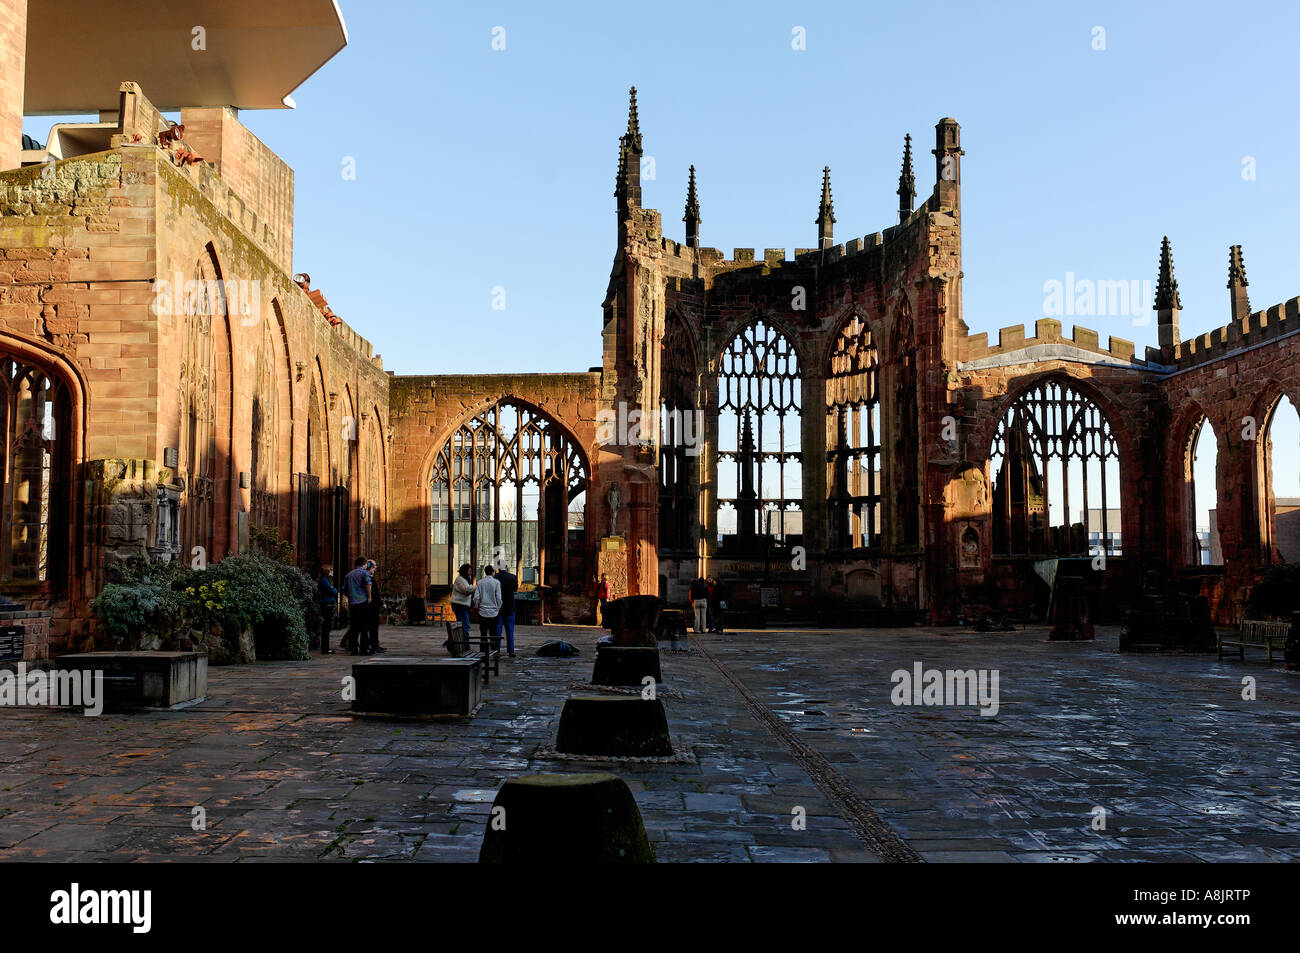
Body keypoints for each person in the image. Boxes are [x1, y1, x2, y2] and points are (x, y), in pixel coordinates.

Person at [342, 556, 373, 655]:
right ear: (364, 564)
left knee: (354, 627)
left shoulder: (349, 575)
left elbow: (344, 590)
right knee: (364, 626)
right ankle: (363, 649)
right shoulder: (365, 573)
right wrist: (369, 597)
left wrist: (351, 596)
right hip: (362, 602)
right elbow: (368, 584)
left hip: (353, 604)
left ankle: (353, 649)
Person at [471, 564, 502, 655]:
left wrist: (477, 606)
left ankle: (483, 652)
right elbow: (498, 598)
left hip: (482, 612)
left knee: (483, 634)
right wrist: (498, 608)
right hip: (494, 612)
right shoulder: (496, 582)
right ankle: (494, 652)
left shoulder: (480, 582)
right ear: (493, 572)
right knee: (493, 634)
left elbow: (476, 597)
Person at [495, 561, 518, 658]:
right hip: (510, 606)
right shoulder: (512, 577)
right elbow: (515, 589)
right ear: (506, 567)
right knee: (510, 630)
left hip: (498, 608)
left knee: (497, 631)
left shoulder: (495, 578)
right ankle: (511, 651)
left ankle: (497, 651)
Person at [366, 559, 386, 653]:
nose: (375, 568)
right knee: (372, 627)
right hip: (372, 607)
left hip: (374, 606)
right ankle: (373, 646)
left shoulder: (370, 577)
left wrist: (381, 603)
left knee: (374, 627)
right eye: (374, 566)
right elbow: (373, 593)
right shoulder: (368, 577)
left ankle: (375, 645)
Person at [317, 564, 338, 655]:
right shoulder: (325, 581)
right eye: (331, 570)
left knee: (326, 627)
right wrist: (334, 589)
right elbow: (333, 591)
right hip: (327, 605)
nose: (333, 572)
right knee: (326, 627)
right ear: (327, 571)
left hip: (327, 604)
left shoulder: (325, 580)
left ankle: (325, 648)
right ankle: (325, 649)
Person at [450, 563, 474, 635]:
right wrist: (477, 587)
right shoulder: (460, 579)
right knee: (465, 625)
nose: (471, 573)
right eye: (469, 571)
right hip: (459, 604)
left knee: (463, 624)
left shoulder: (466, 579)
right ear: (465, 571)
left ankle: (459, 641)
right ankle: (465, 644)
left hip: (463, 604)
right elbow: (466, 590)